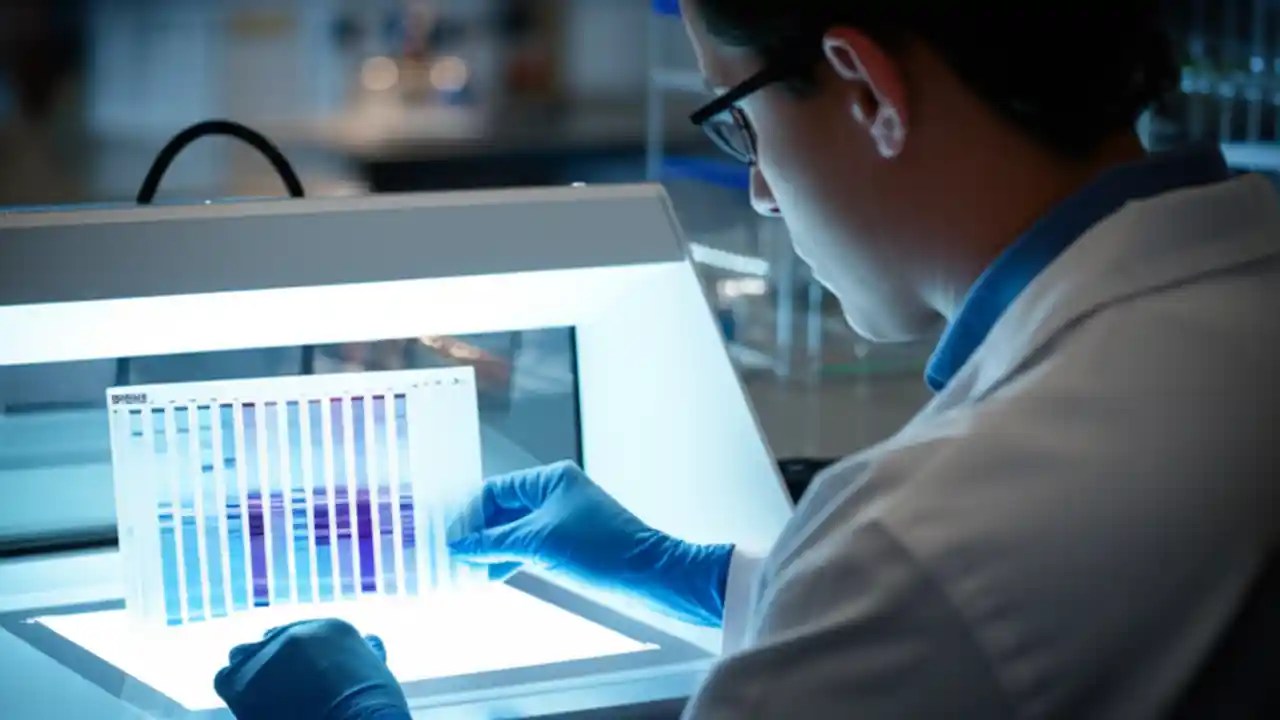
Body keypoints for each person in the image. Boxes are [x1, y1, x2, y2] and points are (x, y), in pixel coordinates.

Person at [215, 1, 1280, 717]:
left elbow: (934, 598)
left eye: (738, 125)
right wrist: (704, 578)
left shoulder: (920, 542)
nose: (762, 192)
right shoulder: (1235, 298)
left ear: (863, 87)